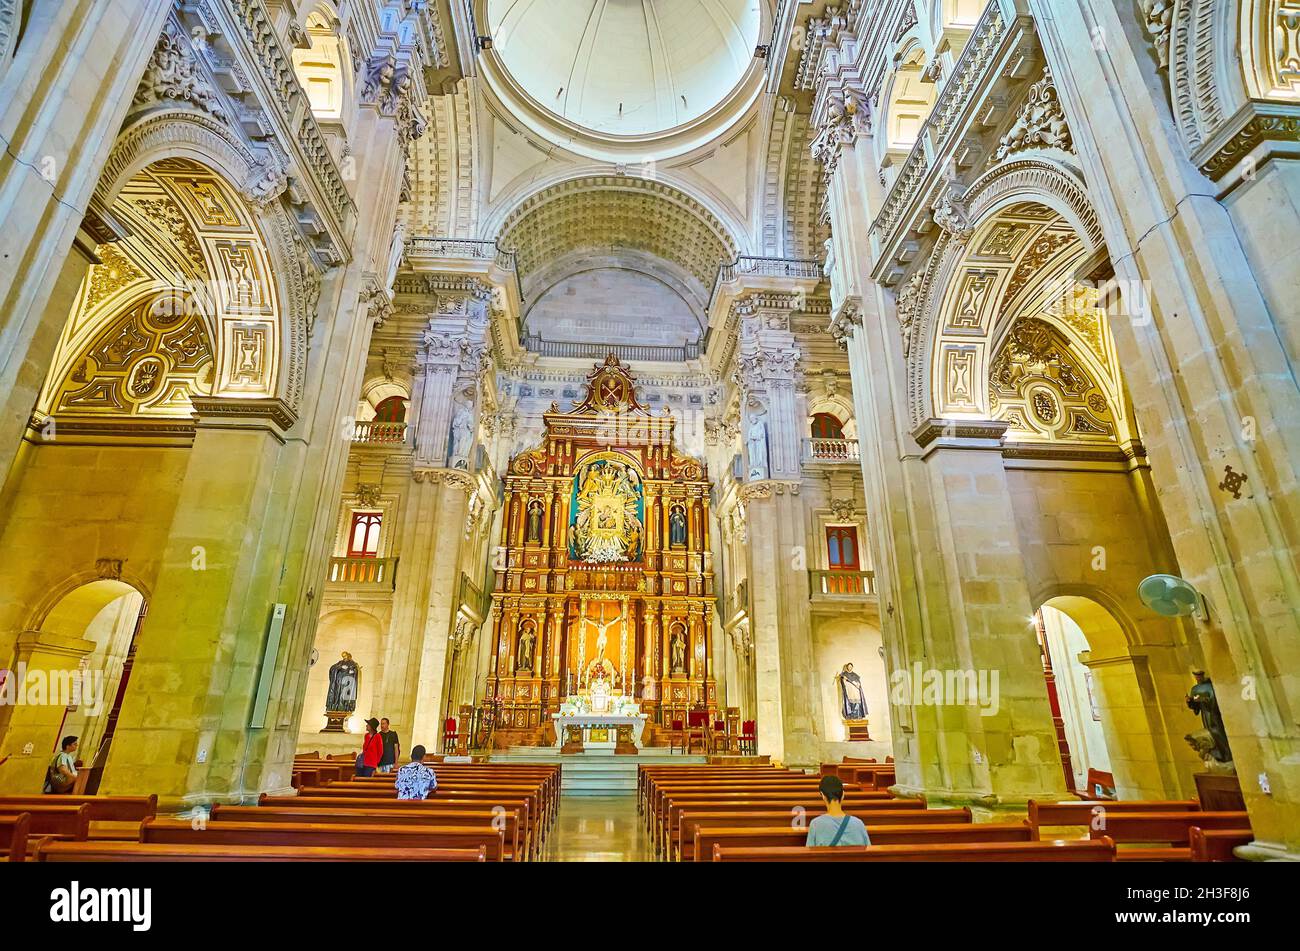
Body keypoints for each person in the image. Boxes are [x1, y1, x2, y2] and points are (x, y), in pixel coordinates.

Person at [805, 775, 870, 847]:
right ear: (843, 795)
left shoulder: (815, 825)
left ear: (823, 795)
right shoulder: (859, 824)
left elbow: (809, 855)